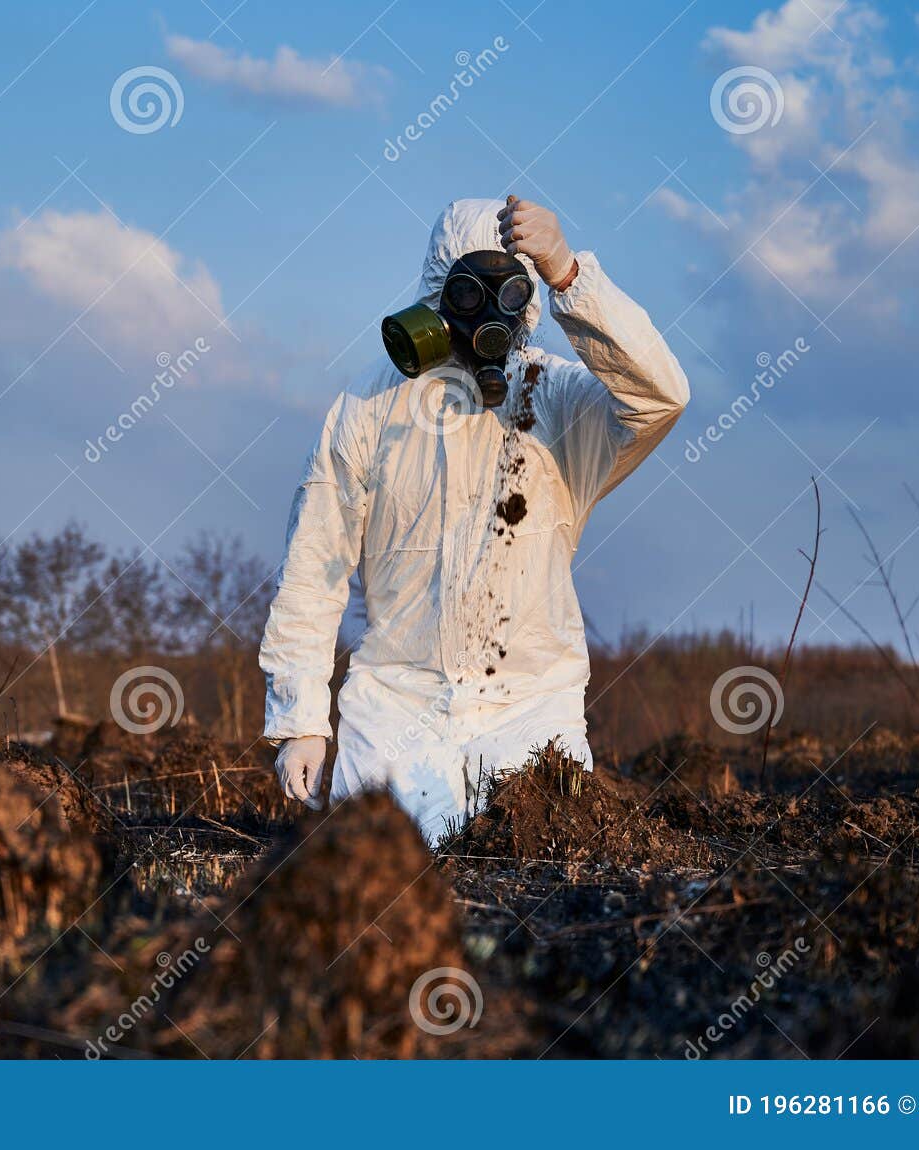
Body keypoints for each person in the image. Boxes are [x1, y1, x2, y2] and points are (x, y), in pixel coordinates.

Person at [260, 195, 689, 841]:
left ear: (528, 297)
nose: (484, 314)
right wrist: (300, 719)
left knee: (545, 894)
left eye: (505, 291)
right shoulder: (372, 404)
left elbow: (660, 397)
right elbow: (313, 566)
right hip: (395, 706)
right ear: (437, 292)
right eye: (467, 294)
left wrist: (572, 275)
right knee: (386, 900)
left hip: (532, 709)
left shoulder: (562, 400)